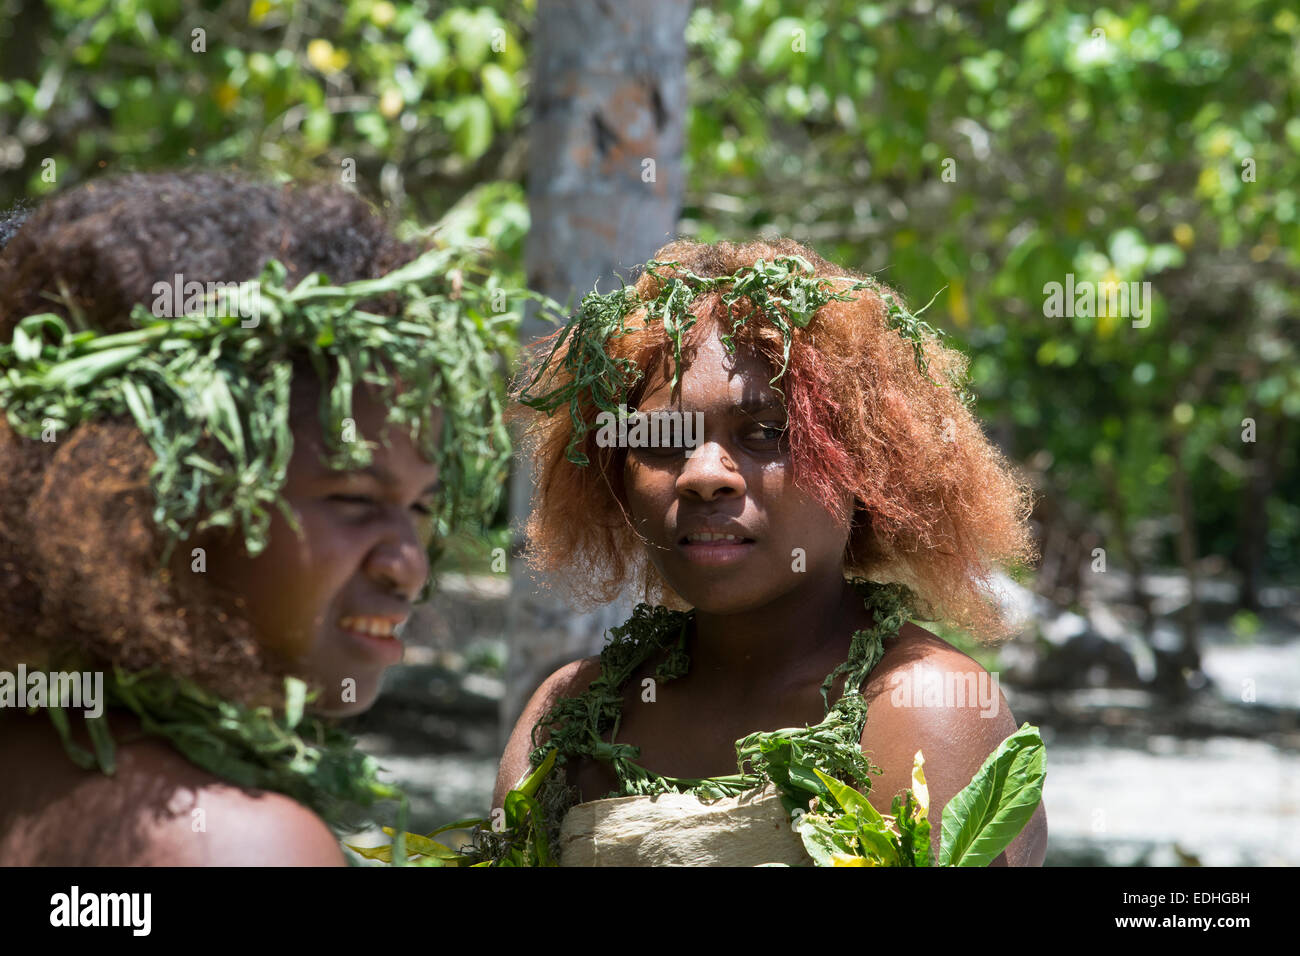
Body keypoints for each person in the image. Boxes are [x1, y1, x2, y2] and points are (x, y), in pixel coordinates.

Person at [0, 170, 510, 865]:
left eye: (421, 506)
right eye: (355, 499)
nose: (409, 563)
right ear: (151, 499)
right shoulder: (243, 844)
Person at [494, 238, 1048, 866]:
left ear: (869, 463)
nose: (704, 474)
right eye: (660, 437)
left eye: (767, 433)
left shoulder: (922, 710)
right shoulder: (572, 713)